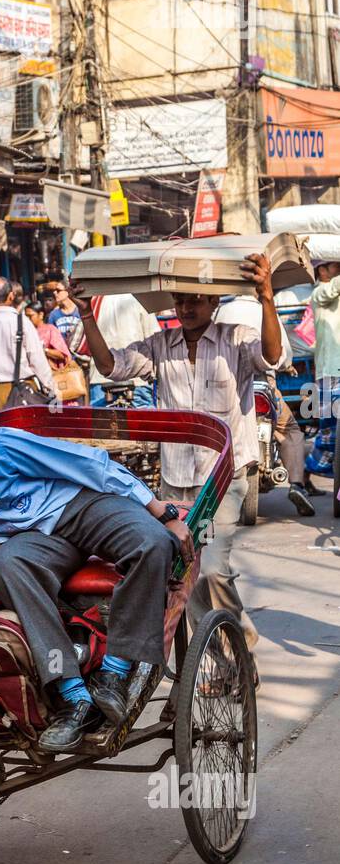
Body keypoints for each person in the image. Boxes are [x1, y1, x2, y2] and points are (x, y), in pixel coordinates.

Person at [72, 252, 283, 675]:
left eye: (195, 301)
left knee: (212, 572)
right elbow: (111, 367)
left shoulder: (236, 338)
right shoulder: (159, 346)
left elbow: (272, 357)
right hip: (176, 479)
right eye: (180, 301)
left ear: (213, 303)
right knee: (180, 575)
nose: (186, 308)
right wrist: (86, 318)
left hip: (224, 478)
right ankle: (217, 655)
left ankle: (236, 653)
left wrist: (266, 296)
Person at [0, 422, 193, 753]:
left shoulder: (0, 446)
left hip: (78, 506)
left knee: (152, 543)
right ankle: (73, 695)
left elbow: (90, 463)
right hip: (33, 540)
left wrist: (164, 515)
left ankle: (116, 672)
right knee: (8, 564)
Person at [215, 292, 314, 516]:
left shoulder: (220, 311)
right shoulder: (265, 311)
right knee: (290, 431)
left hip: (227, 388)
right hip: (263, 383)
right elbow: (282, 353)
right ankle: (297, 484)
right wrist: (286, 364)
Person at [0, 276, 56, 414]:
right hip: (26, 392)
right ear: (11, 296)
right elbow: (37, 360)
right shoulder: (22, 322)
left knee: (1, 435)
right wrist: (51, 390)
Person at [92, 293, 159, 409]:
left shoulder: (95, 301)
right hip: (137, 379)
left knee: (100, 423)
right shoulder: (140, 299)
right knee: (143, 424)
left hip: (101, 378)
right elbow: (154, 337)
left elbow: (77, 343)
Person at [309, 260, 340, 427]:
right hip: (332, 370)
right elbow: (333, 289)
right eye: (336, 264)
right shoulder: (319, 292)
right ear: (322, 271)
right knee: (331, 431)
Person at [45, 280, 82, 345]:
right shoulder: (53, 315)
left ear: (67, 291)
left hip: (80, 354)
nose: (55, 293)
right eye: (54, 291)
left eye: (58, 290)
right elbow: (51, 338)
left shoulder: (80, 311)